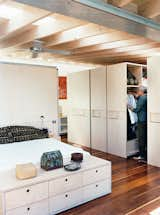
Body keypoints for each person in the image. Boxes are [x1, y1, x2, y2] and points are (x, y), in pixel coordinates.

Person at [128, 86, 147, 162]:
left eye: (137, 91)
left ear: (140, 91)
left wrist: (129, 106)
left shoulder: (142, 98)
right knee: (144, 137)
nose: (137, 92)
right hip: (145, 120)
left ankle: (142, 156)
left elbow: (136, 110)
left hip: (141, 121)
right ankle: (144, 155)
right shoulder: (145, 97)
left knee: (141, 138)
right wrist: (133, 95)